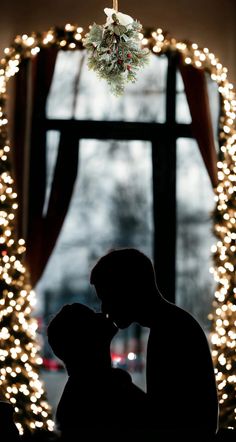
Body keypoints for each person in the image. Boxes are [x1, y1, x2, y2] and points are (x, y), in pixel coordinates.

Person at [90, 247, 219, 439]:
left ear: (128, 289)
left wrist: (116, 383)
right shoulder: (173, 325)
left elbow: (165, 420)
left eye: (107, 297)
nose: (105, 308)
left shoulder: (171, 331)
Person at [47, 302, 150, 441]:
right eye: (91, 316)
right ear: (84, 339)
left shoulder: (85, 389)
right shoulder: (101, 392)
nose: (102, 313)